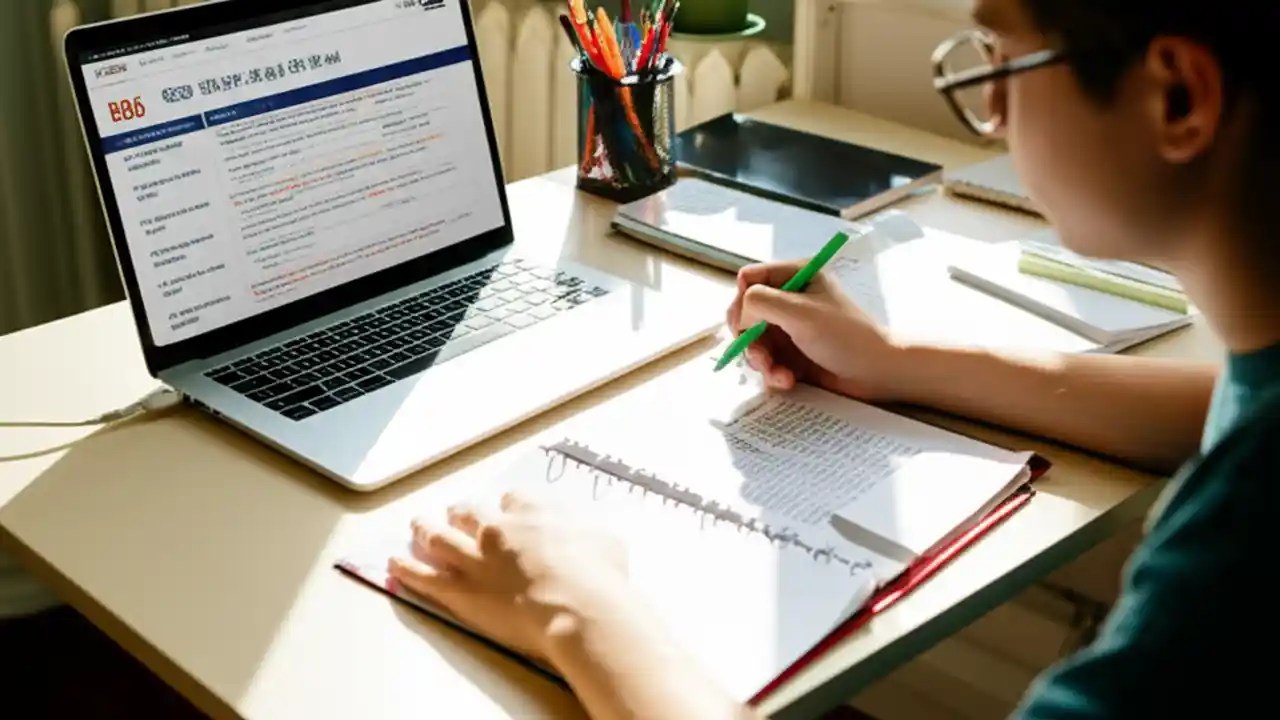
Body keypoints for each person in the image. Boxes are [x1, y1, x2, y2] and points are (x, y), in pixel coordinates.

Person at [387, 0, 1279, 717]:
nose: (993, 113)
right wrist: (893, 360)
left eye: (1001, 56)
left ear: (1178, 100)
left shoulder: (1239, 540)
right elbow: (1211, 405)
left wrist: (573, 606)